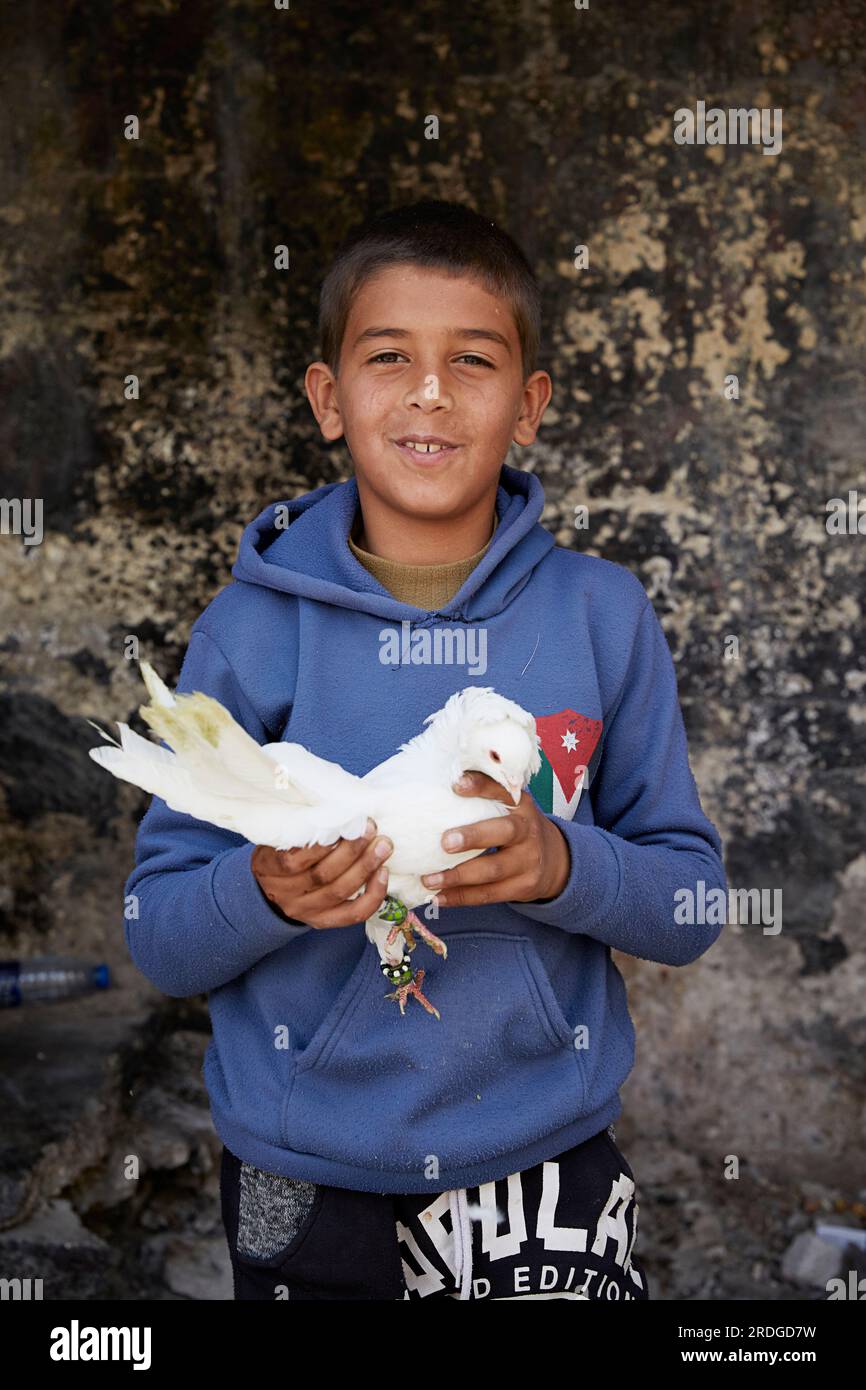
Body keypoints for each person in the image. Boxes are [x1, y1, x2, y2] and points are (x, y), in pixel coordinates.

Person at [124, 199, 727, 1300]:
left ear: (530, 405)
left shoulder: (601, 615)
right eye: (389, 355)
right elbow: (158, 941)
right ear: (327, 398)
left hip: (546, 1150)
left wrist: (564, 865)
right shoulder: (249, 633)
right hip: (299, 1161)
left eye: (473, 360)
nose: (431, 392)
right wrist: (264, 889)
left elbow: (690, 905)